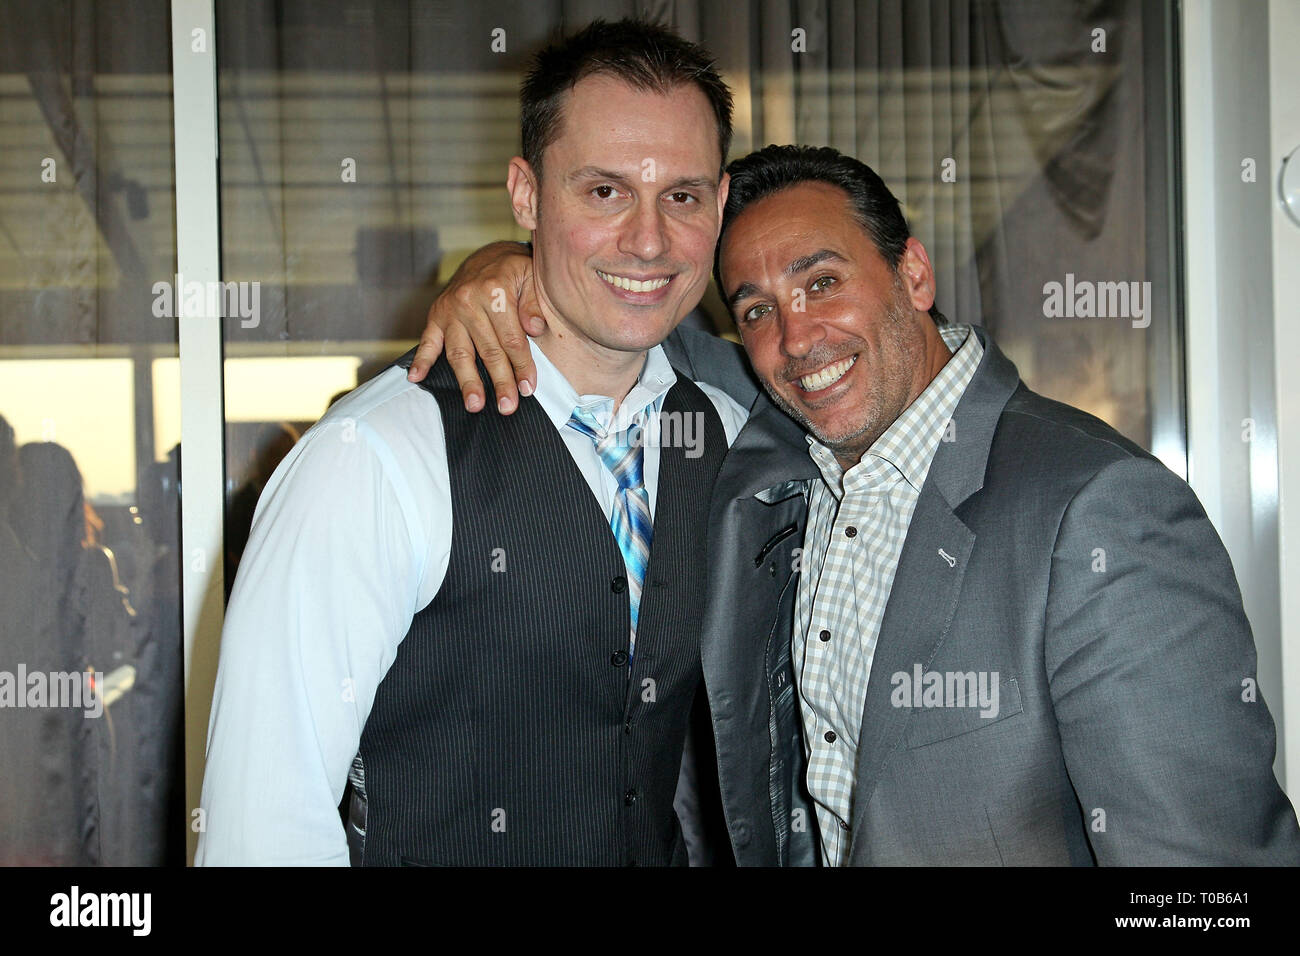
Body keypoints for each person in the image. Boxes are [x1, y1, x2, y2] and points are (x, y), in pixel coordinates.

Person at [413, 144, 1300, 864]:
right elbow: (630, 322)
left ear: (914, 274)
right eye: (756, 309)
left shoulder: (1100, 507)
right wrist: (507, 271)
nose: (796, 338)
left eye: (824, 282)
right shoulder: (773, 452)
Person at [196, 19, 753, 866]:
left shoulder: (732, 435)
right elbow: (262, 822)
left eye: (680, 195)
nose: (648, 240)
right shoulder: (375, 458)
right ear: (526, 196)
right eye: (603, 192)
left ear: (717, 206)